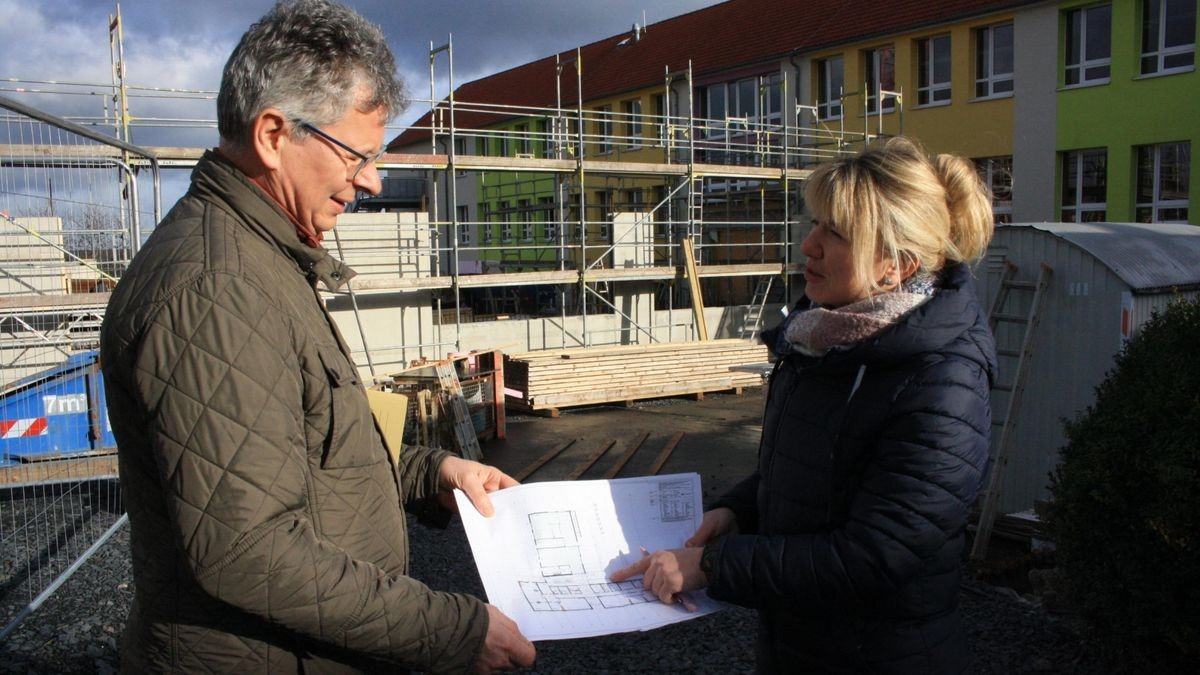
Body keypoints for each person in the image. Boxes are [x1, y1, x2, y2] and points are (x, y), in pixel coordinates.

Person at [99, 1, 535, 672]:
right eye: (357, 154)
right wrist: (449, 629)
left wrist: (432, 473)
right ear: (274, 134)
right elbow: (248, 549)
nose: (373, 179)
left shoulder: (263, 258)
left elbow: (308, 451)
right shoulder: (217, 288)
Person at [613, 136, 997, 673]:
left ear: (897, 267)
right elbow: (809, 470)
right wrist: (738, 512)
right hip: (802, 644)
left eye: (835, 232)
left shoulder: (941, 379)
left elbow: (879, 554)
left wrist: (715, 567)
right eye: (815, 223)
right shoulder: (824, 339)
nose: (808, 245)